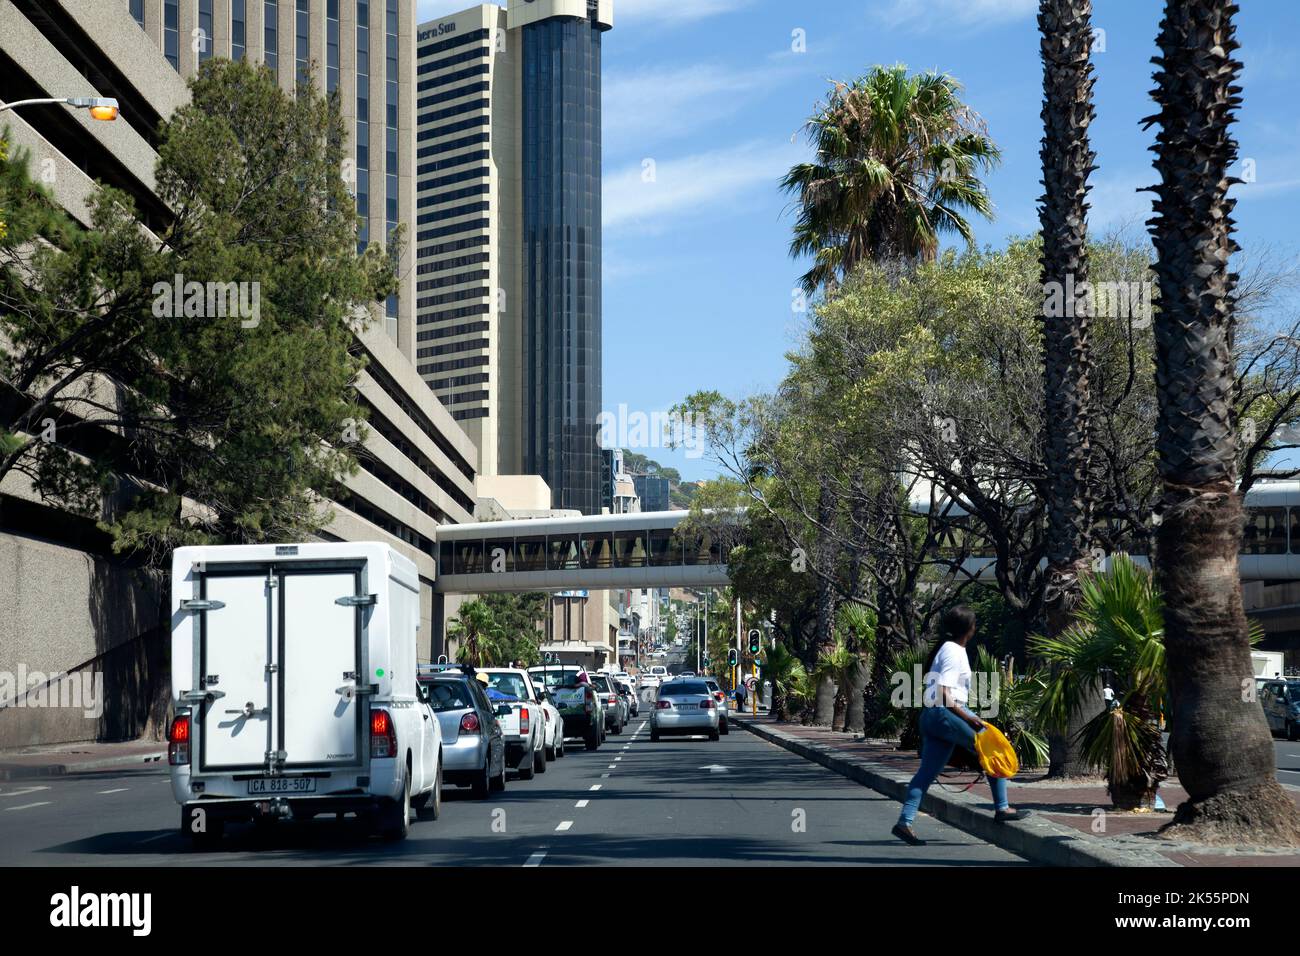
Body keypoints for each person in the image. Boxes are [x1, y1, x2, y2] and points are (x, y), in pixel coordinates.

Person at [892, 605, 1028, 846]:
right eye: (974, 624)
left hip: (931, 716)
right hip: (947, 713)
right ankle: (1002, 809)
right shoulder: (955, 651)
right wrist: (967, 718)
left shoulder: (945, 648)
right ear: (970, 629)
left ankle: (905, 822)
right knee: (992, 748)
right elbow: (945, 692)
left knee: (925, 775)